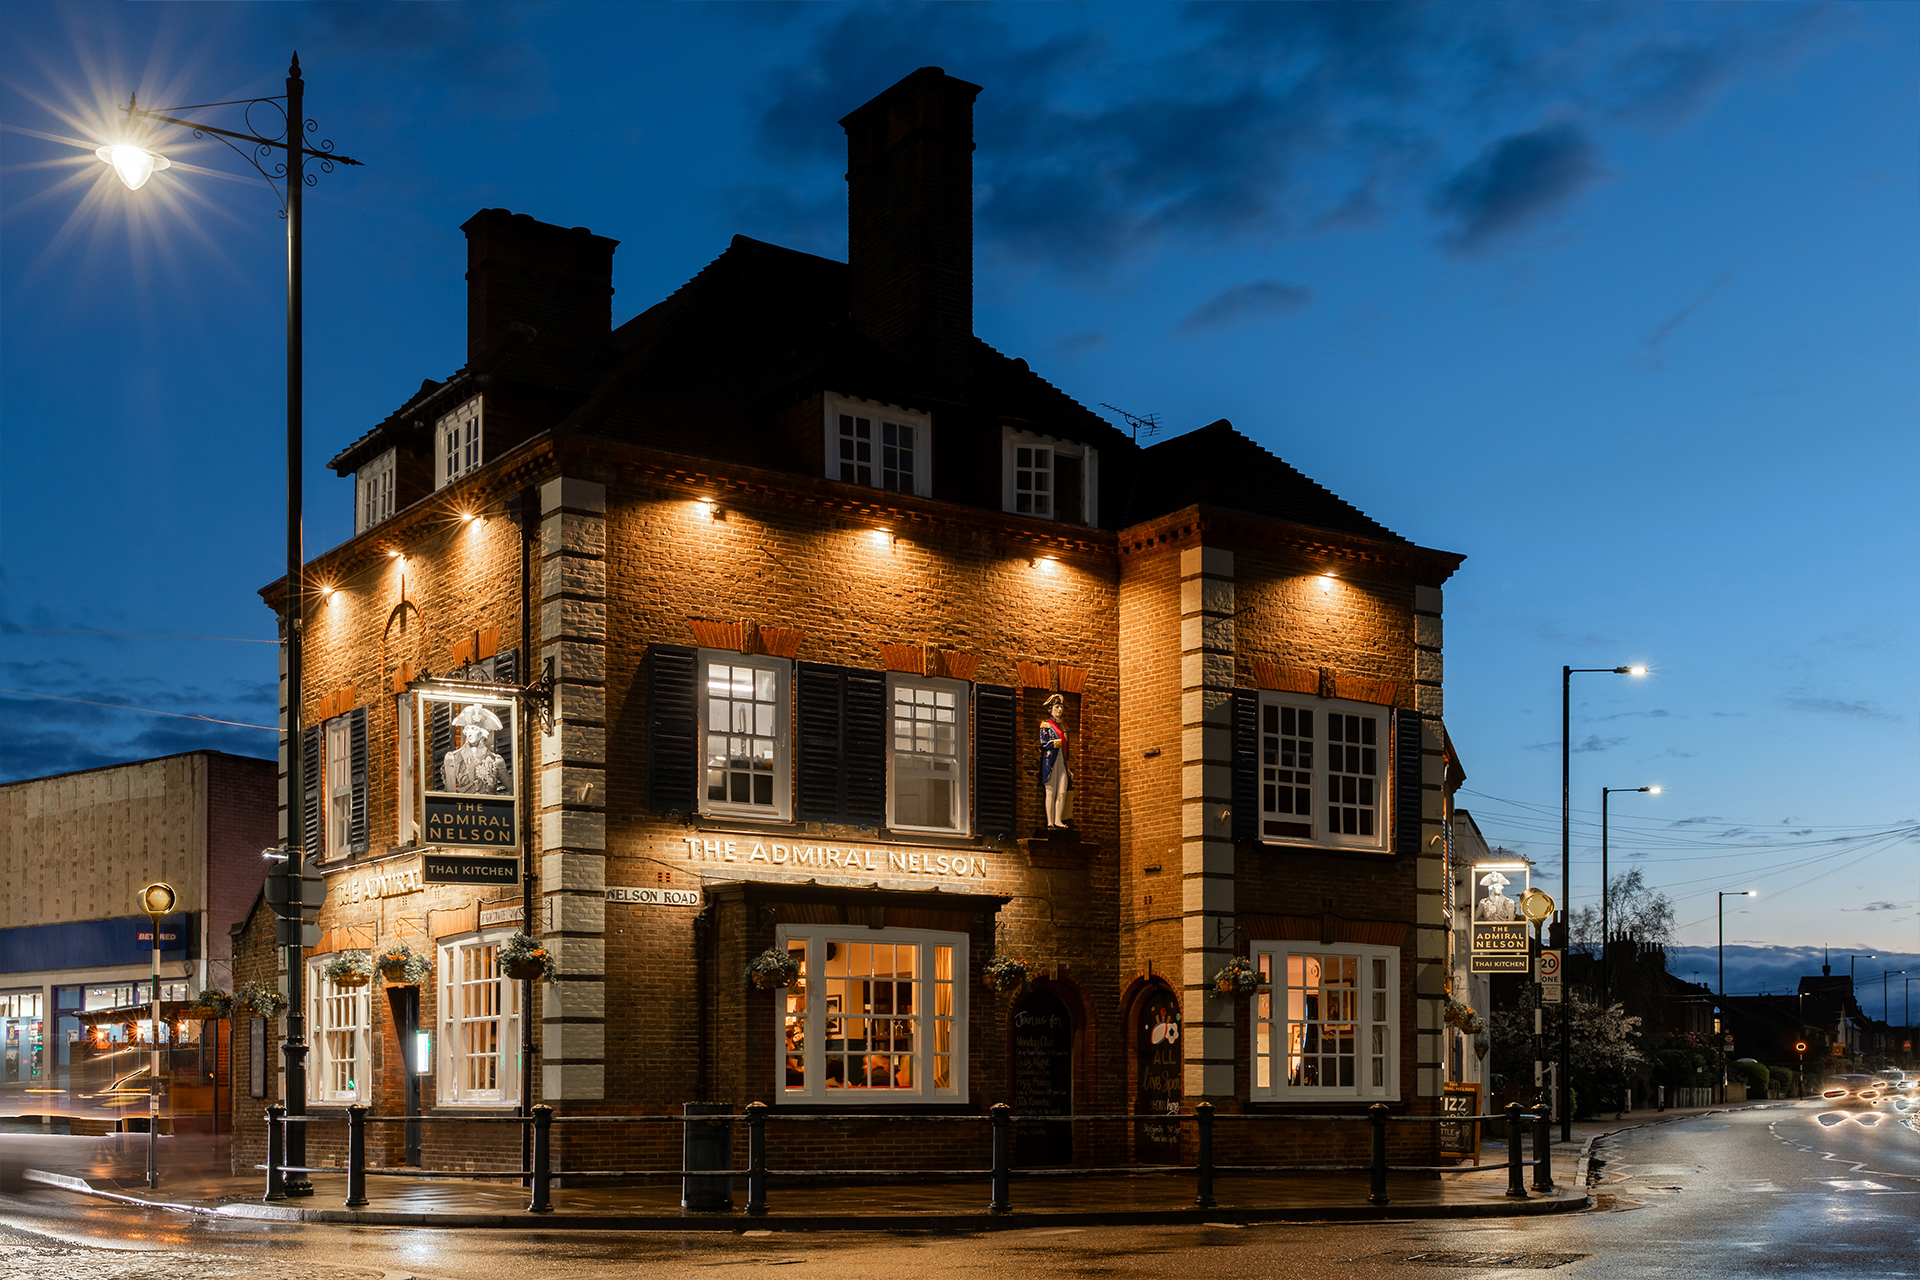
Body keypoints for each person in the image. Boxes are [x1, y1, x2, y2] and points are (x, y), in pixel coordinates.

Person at [441, 703, 510, 794]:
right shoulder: (452, 757)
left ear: (482, 733)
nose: (469, 733)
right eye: (468, 729)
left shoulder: (496, 760)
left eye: (474, 729)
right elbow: (450, 794)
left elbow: (513, 790)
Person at [1040, 693, 1072, 829]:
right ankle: (1050, 821)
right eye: (1057, 707)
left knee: (1062, 791)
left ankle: (1058, 819)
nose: (1059, 710)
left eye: (1061, 707)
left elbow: (1067, 752)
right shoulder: (1046, 725)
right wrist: (1054, 743)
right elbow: (1043, 744)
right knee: (1050, 791)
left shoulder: (1064, 727)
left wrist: (1068, 768)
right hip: (1050, 761)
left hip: (1062, 761)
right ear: (1051, 708)